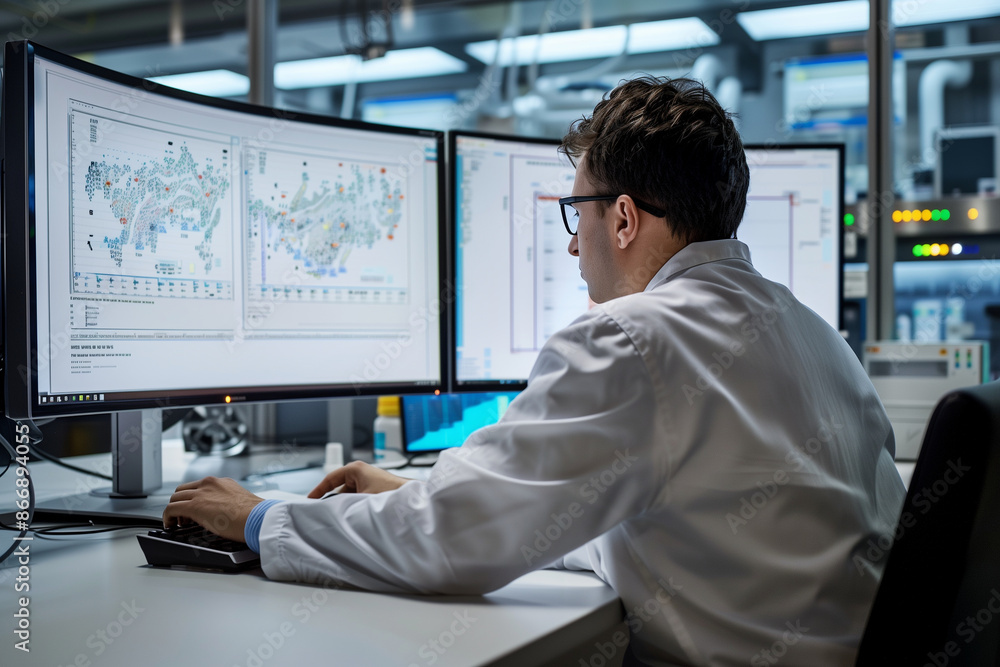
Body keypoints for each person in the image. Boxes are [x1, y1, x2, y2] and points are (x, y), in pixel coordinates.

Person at [164, 77, 906, 666]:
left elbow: (451, 544)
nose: (575, 245)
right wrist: (431, 488)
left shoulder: (632, 337)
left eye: (574, 211)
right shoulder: (811, 333)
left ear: (621, 219)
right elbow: (666, 514)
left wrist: (261, 519)